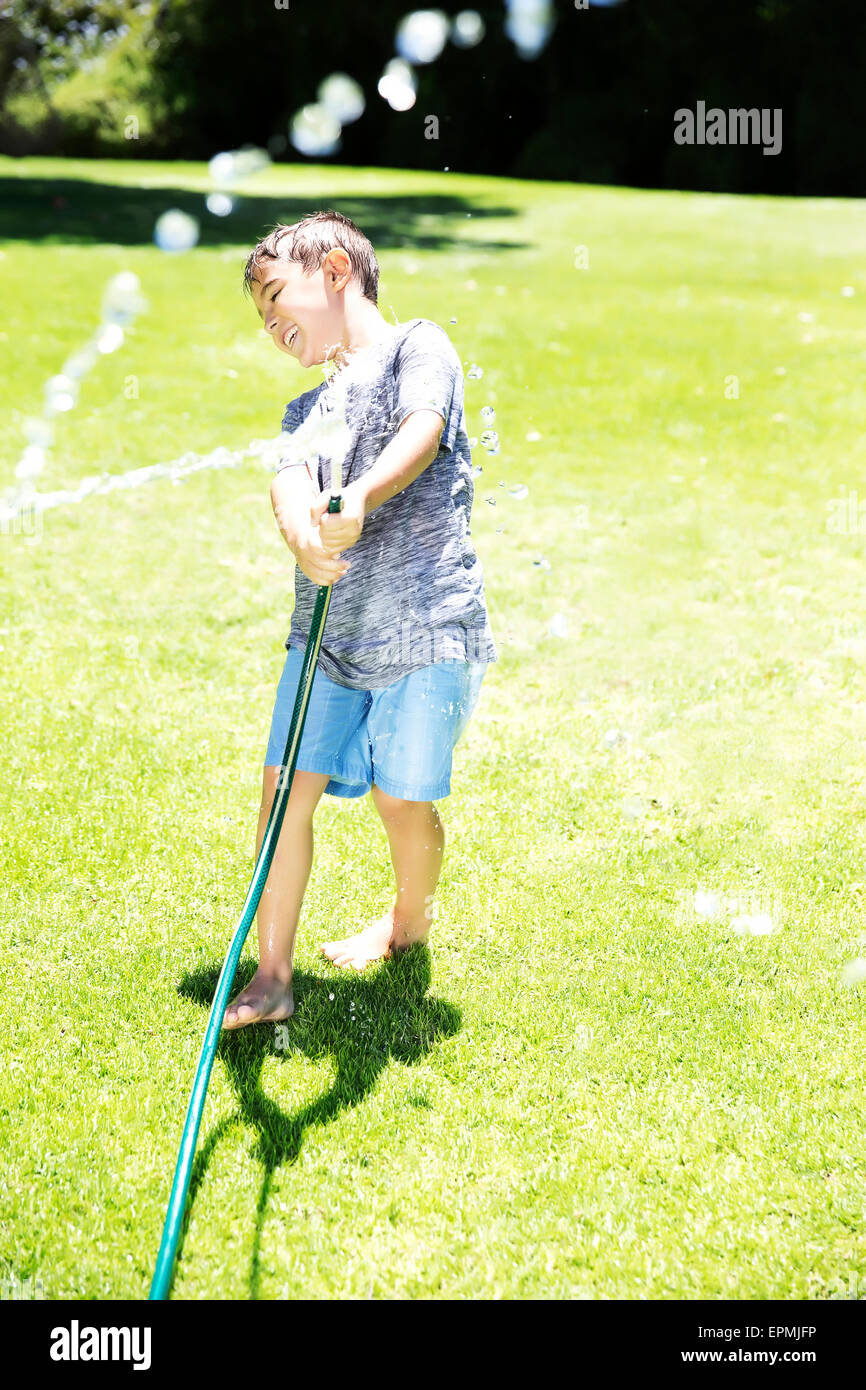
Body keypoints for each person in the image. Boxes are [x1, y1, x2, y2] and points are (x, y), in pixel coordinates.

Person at [223, 210, 497, 1029]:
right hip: (327, 641)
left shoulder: (420, 346)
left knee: (400, 798)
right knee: (279, 797)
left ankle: (406, 925)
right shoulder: (307, 406)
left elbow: (424, 430)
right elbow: (288, 479)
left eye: (278, 299)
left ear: (336, 272)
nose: (273, 325)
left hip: (425, 632)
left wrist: (359, 495)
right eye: (262, 318)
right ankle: (272, 977)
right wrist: (302, 529)